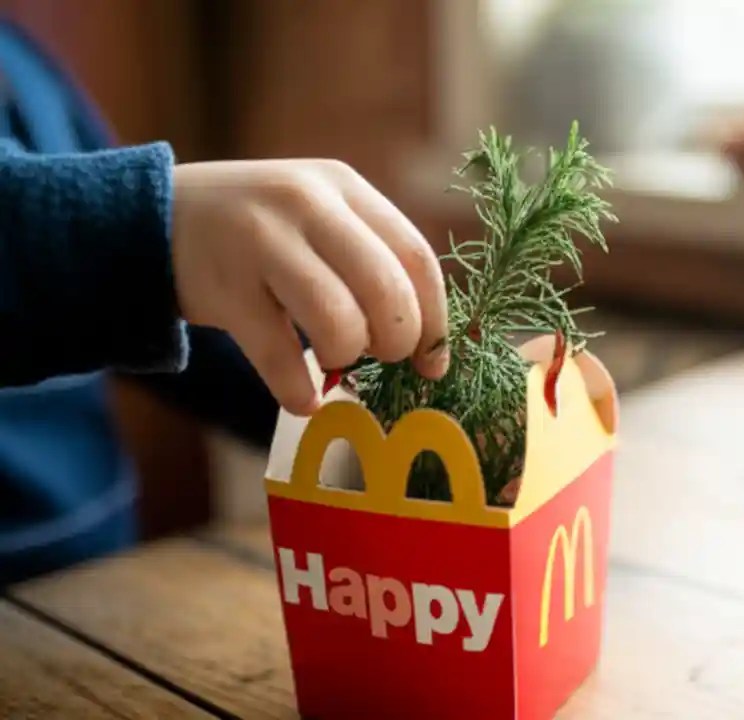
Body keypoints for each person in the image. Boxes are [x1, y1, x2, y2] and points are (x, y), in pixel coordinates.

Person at [0, 20, 449, 584]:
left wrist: (382, 412)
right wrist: (144, 228)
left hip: (100, 573)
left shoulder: (22, 65)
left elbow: (160, 306)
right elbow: (124, 260)